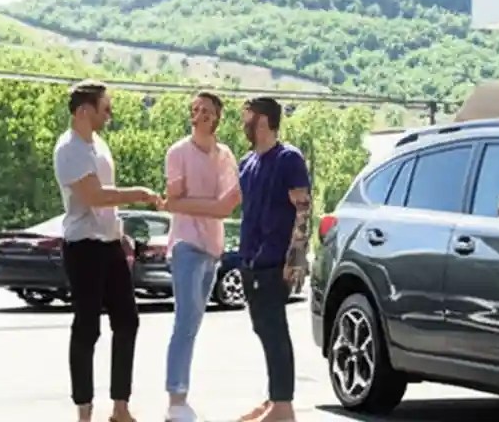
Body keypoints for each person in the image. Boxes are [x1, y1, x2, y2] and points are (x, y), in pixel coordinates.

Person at [53, 80, 158, 422]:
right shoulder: (68, 149)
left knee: (127, 320)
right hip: (82, 247)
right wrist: (139, 193)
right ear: (85, 110)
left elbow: (106, 205)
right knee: (88, 327)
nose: (110, 114)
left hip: (109, 244)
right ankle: (84, 411)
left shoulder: (98, 145)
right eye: (105, 107)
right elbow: (95, 196)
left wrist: (120, 232)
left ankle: (120, 408)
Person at [156, 91, 241, 422]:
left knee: (193, 323)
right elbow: (173, 199)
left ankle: (180, 396)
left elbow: (228, 202)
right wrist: (211, 207)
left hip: (212, 247)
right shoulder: (178, 152)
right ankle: (176, 399)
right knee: (185, 321)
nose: (199, 114)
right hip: (186, 244)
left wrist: (192, 205)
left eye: (206, 110)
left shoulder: (225, 155)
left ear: (217, 116)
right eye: (195, 109)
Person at [234, 97, 313, 422]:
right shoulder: (247, 162)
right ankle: (273, 399)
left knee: (275, 330)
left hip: (275, 261)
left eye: (247, 118)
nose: (243, 124)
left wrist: (295, 258)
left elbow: (303, 209)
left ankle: (284, 407)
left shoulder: (289, 158)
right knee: (263, 328)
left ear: (263, 121)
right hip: (250, 260)